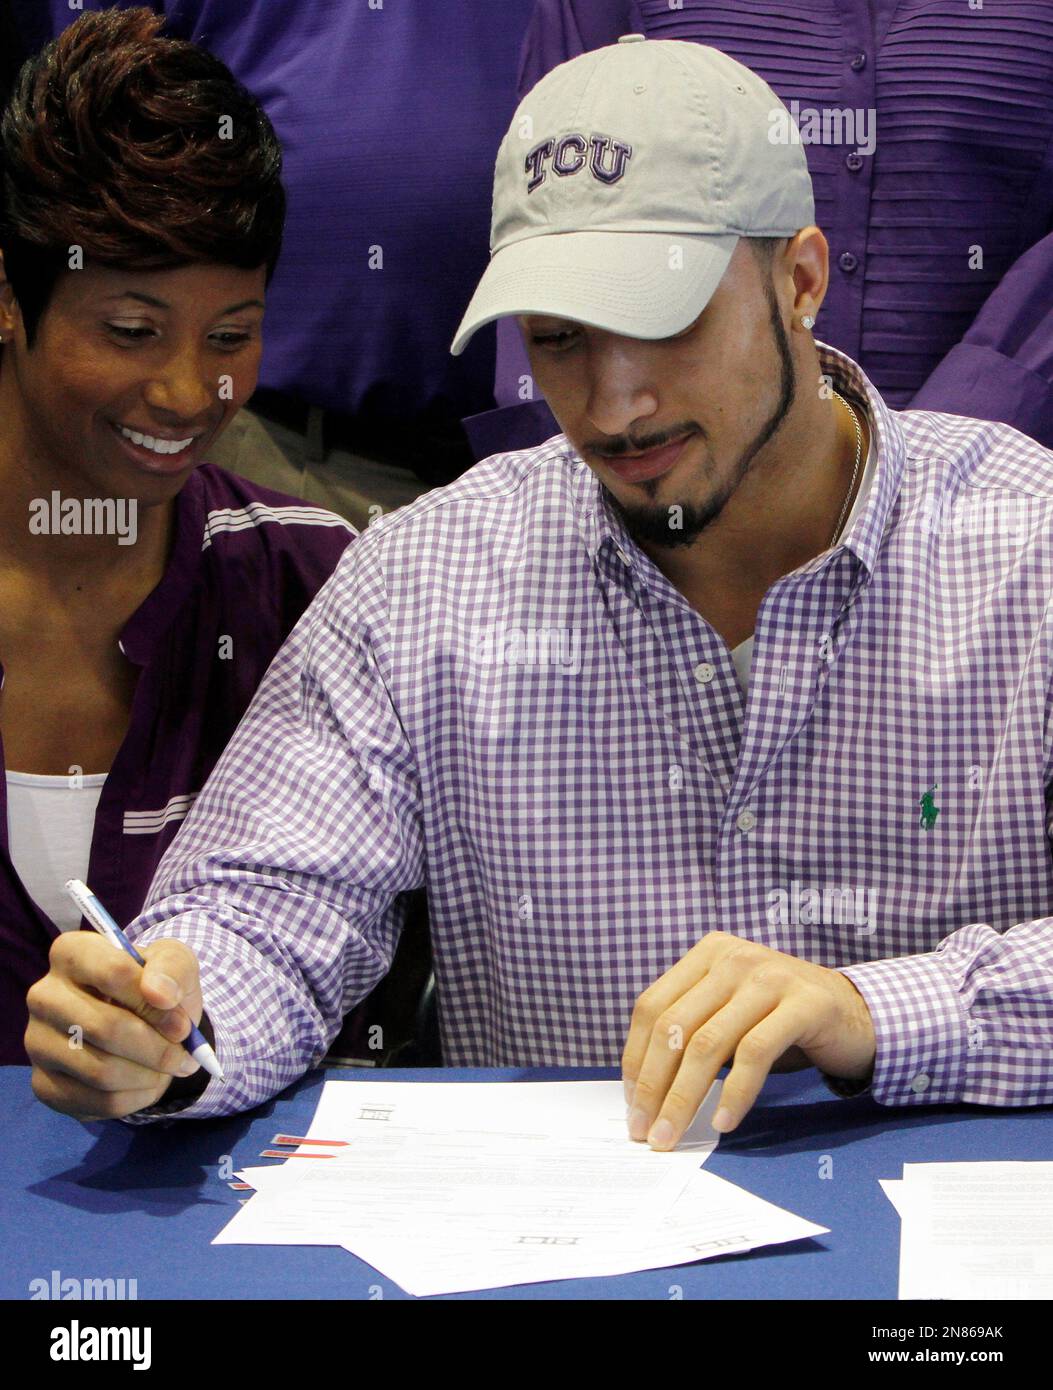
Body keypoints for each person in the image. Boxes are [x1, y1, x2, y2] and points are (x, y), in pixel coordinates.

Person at [26, 38, 1053, 1143]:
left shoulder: (1026, 543)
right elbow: (263, 908)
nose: (615, 405)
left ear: (801, 280)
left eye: (664, 323)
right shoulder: (424, 576)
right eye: (559, 340)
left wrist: (874, 1010)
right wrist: (170, 1021)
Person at [0, 9, 353, 1063]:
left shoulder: (307, 579)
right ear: (10, 297)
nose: (189, 390)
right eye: (132, 331)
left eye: (232, 336)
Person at [464, 0, 1053, 461]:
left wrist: (965, 433)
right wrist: (586, 487)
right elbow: (554, 216)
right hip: (658, 518)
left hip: (1003, 513)